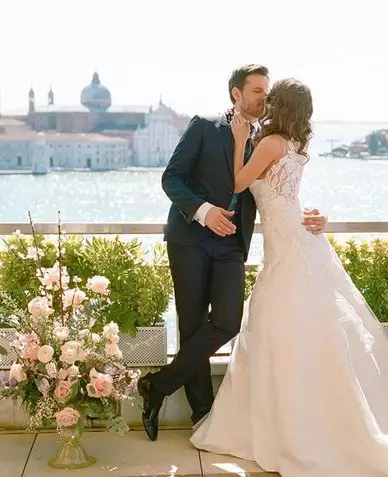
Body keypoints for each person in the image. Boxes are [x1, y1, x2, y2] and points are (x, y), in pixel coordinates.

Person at [190, 78, 388, 476]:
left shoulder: (269, 142)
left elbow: (237, 184)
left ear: (279, 105)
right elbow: (286, 195)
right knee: (309, 329)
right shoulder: (296, 144)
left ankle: (296, 428)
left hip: (288, 246)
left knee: (286, 328)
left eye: (271, 97)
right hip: (296, 240)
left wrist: (240, 138)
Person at [137, 65, 328, 441]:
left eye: (267, 91)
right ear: (235, 94)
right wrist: (204, 212)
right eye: (256, 91)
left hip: (231, 246)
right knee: (192, 326)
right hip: (190, 239)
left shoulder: (267, 136)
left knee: (227, 322)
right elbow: (171, 178)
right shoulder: (205, 127)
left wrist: (310, 214)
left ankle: (156, 386)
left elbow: (278, 187)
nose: (264, 98)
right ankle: (202, 415)